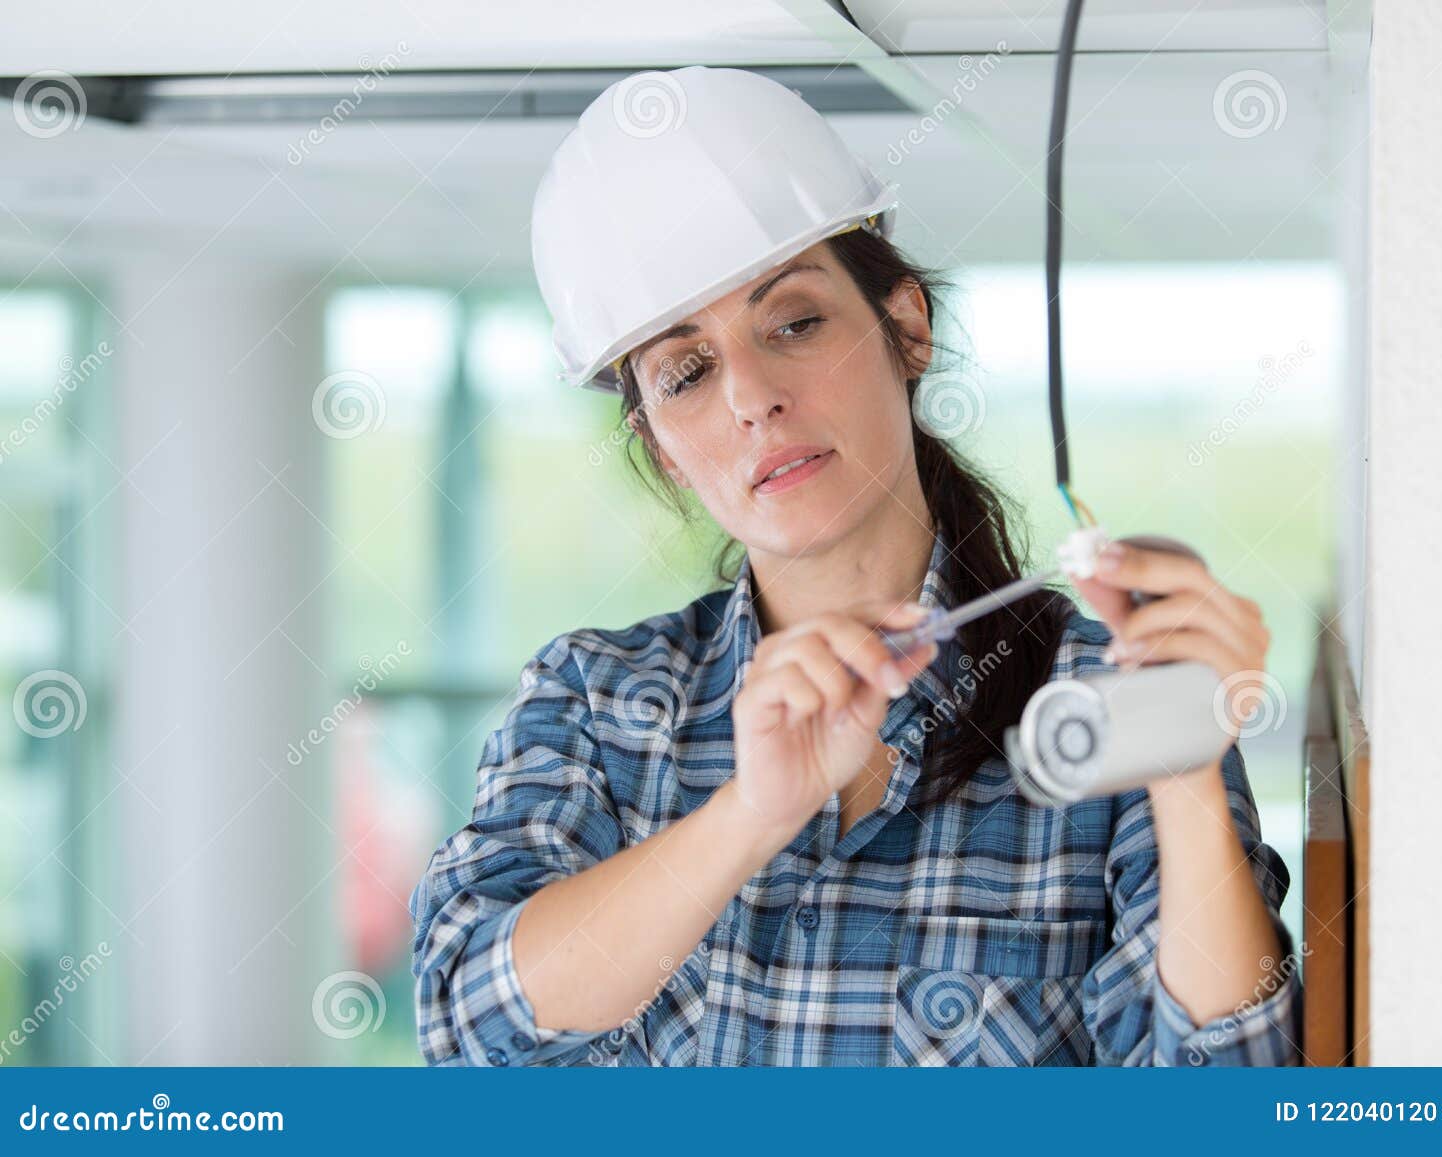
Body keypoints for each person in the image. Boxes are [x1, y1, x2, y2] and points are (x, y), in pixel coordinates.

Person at [409, 65, 1301, 1067]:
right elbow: (469, 1024)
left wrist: (1182, 764)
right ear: (662, 444)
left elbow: (1223, 1088)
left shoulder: (1115, 684)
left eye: (792, 321)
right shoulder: (597, 701)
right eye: (687, 371)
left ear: (905, 326)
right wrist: (751, 813)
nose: (750, 393)